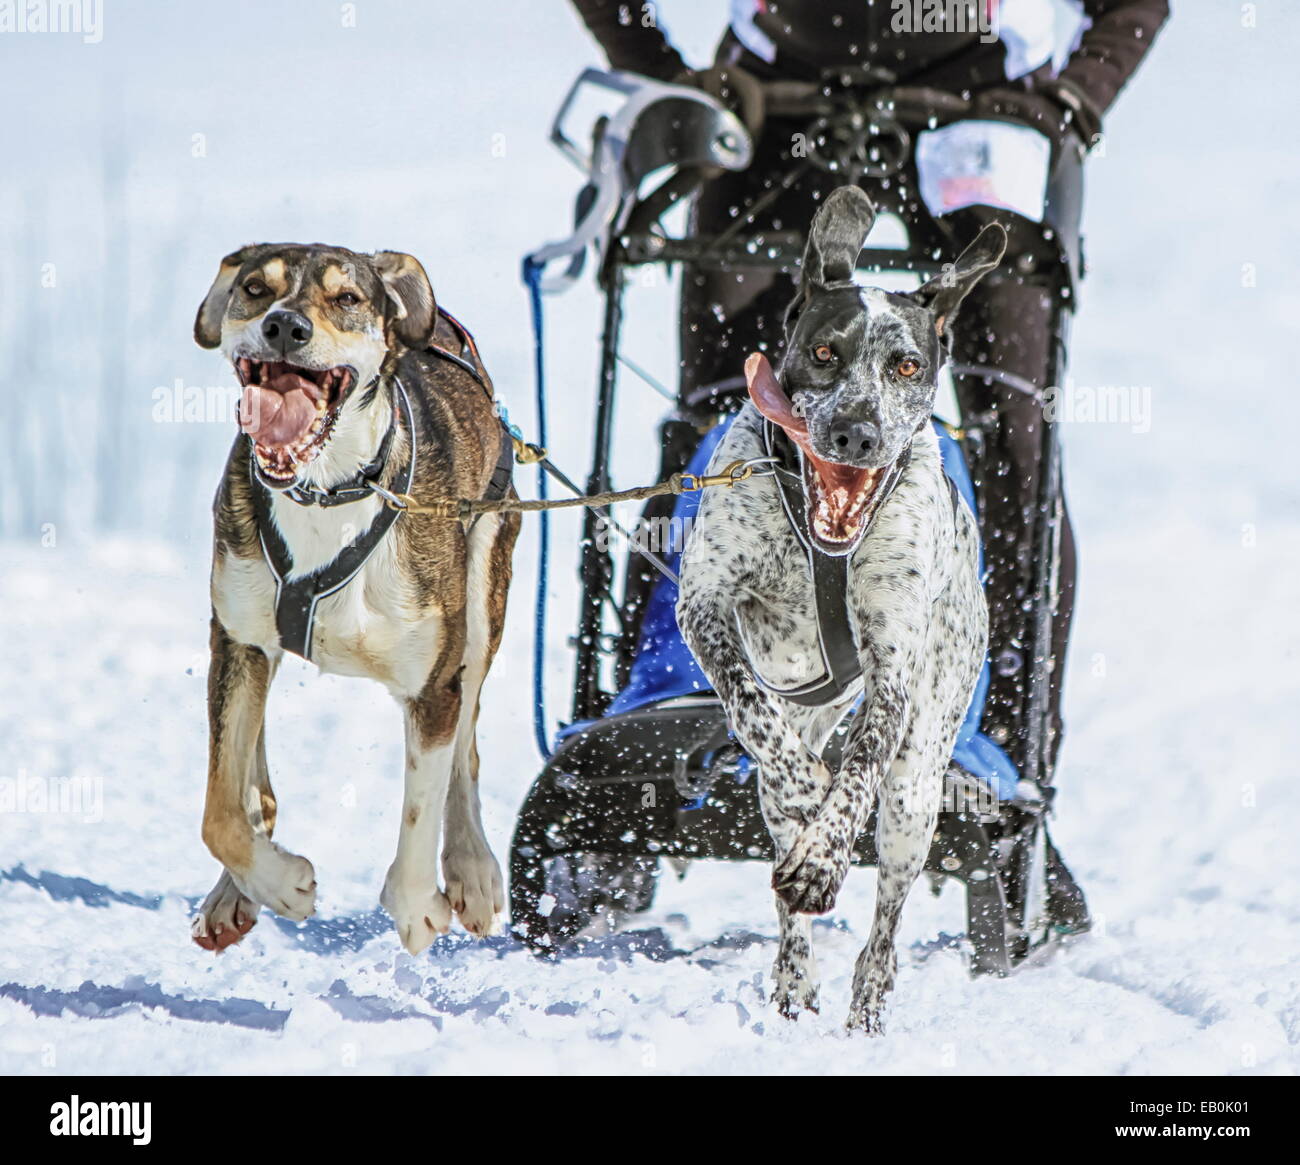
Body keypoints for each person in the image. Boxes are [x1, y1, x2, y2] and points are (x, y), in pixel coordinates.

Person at [569, 0, 1168, 781]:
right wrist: (670, 79)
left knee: (1014, 443)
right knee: (721, 418)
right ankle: (653, 719)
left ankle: (1003, 769)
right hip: (776, 97)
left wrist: (1077, 97)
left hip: (986, 103)